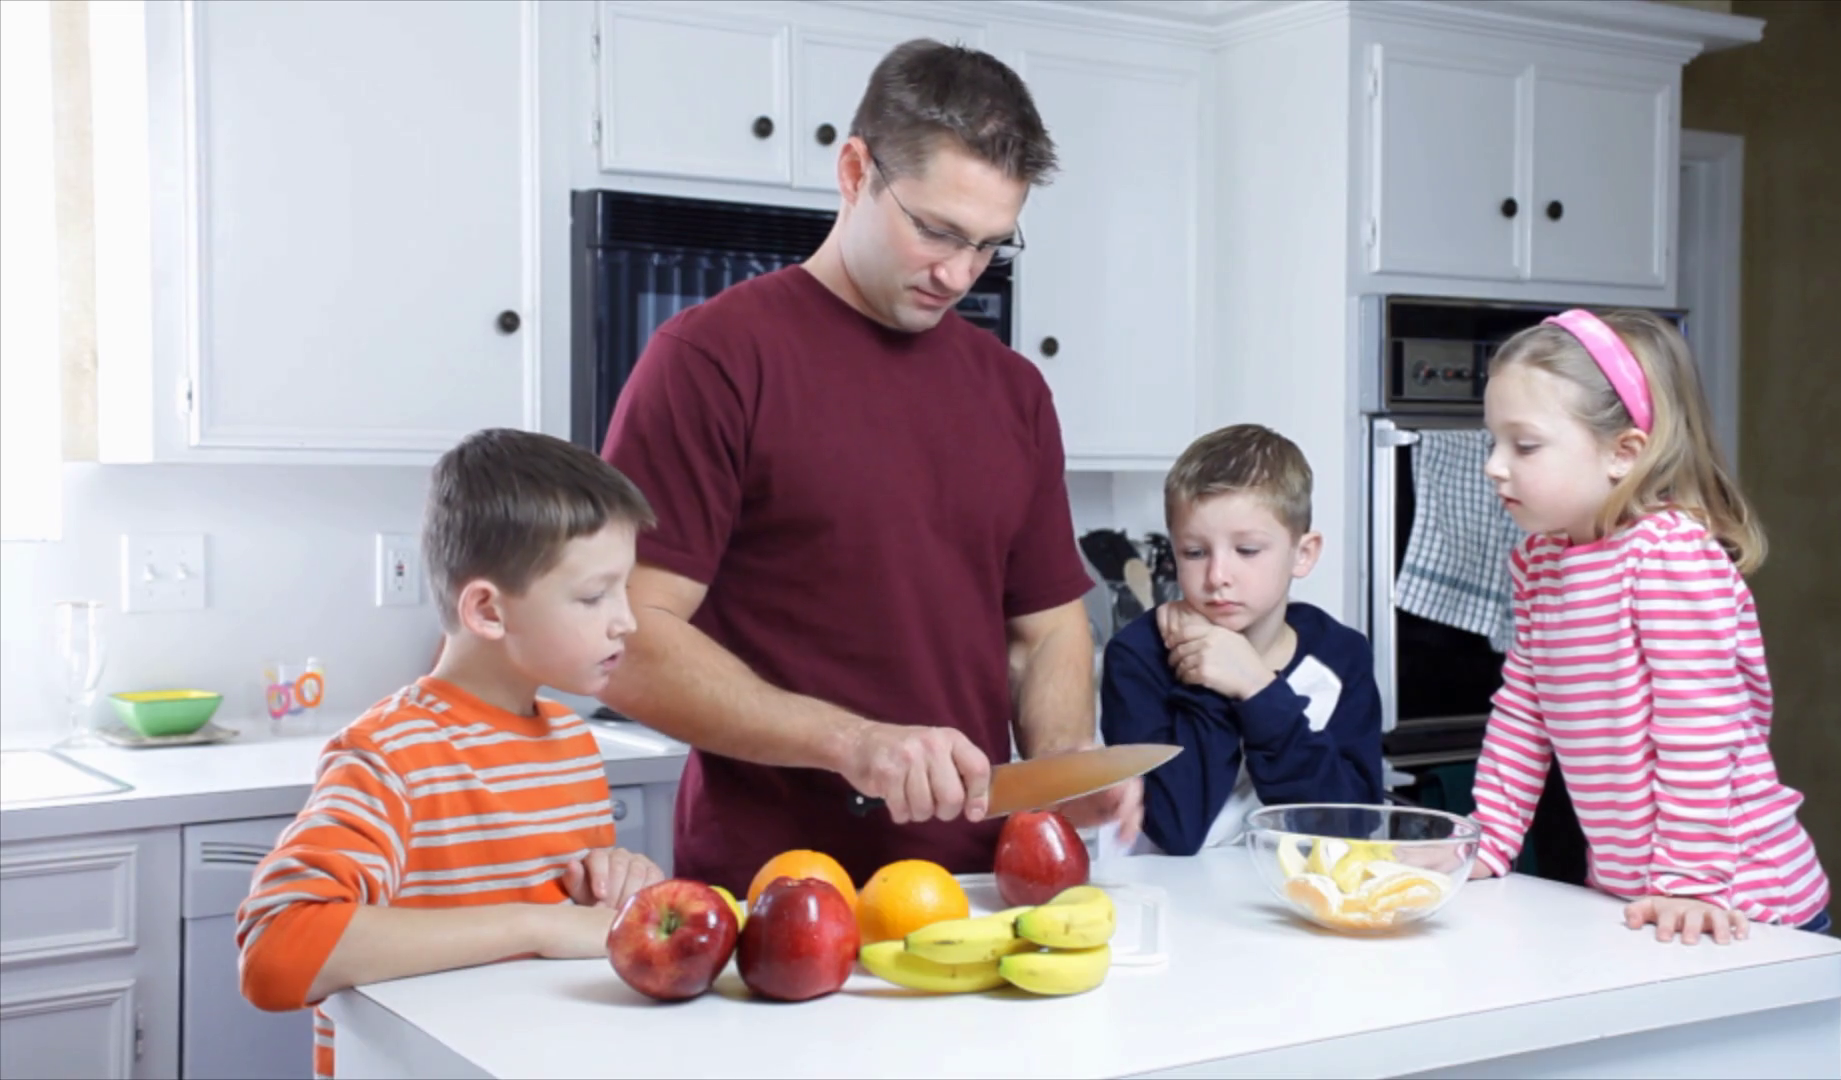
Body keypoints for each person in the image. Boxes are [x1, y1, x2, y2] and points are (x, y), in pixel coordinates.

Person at [597, 38, 1137, 893]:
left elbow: (1044, 630)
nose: (959, 273)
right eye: (936, 230)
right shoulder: (712, 360)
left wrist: (1064, 764)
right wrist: (853, 743)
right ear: (855, 172)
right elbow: (625, 639)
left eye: (990, 245)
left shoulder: (1015, 391)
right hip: (776, 892)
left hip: (974, 889)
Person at [235, 429, 667, 1079]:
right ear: (488, 610)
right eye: (593, 595)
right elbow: (276, 951)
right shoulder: (391, 754)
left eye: (624, 588)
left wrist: (614, 883)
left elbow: (569, 939)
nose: (625, 620)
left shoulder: (572, 744)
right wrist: (537, 926)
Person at [1470, 308, 1832, 945]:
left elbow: (1698, 725)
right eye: (1492, 442)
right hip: (1640, 893)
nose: (1495, 466)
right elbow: (1524, 714)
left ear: (1623, 453)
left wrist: (1690, 881)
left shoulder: (1667, 556)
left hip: (1740, 900)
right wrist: (1487, 842)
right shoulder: (1540, 563)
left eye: (1524, 446)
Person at [1099, 424, 1385, 856]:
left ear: (1303, 553)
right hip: (1171, 891)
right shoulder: (1136, 657)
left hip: (1290, 892)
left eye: (1247, 550)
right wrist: (1207, 675)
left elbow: (1351, 826)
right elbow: (1177, 829)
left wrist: (1257, 688)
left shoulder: (1342, 654)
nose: (1217, 576)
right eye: (1195, 553)